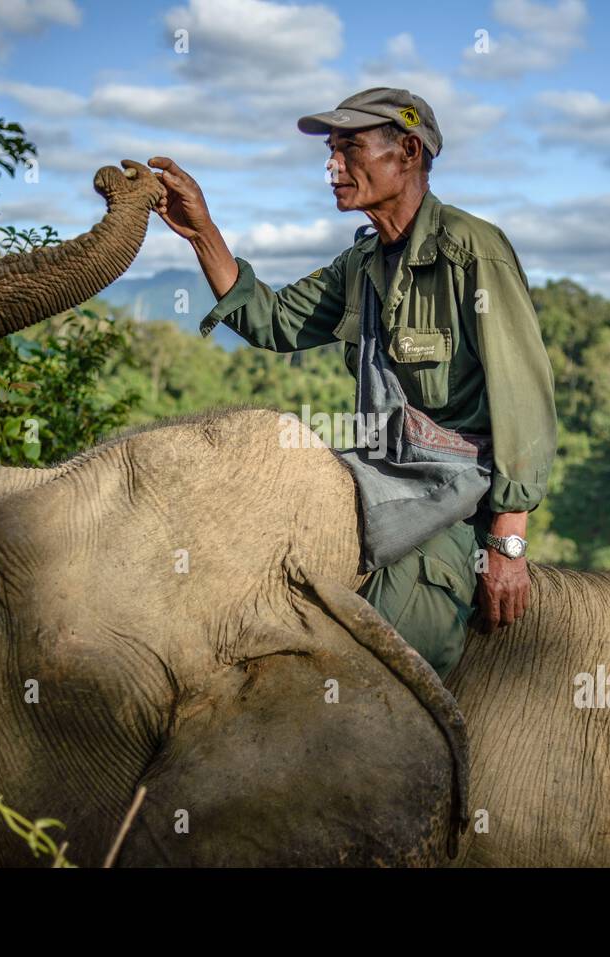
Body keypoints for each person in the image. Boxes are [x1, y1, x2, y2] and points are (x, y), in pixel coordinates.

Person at [148, 87, 557, 680]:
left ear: (408, 151)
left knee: (380, 669)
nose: (332, 166)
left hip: (454, 502)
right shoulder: (360, 265)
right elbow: (275, 321)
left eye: (350, 148)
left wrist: (508, 543)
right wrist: (201, 231)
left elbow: (523, 396)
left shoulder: (473, 252)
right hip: (376, 480)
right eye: (331, 151)